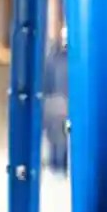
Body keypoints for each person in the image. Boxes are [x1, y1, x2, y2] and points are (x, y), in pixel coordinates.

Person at [41, 27, 68, 173]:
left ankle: (60, 161)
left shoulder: (61, 58)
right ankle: (56, 161)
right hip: (56, 100)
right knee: (55, 132)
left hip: (62, 100)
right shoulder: (54, 57)